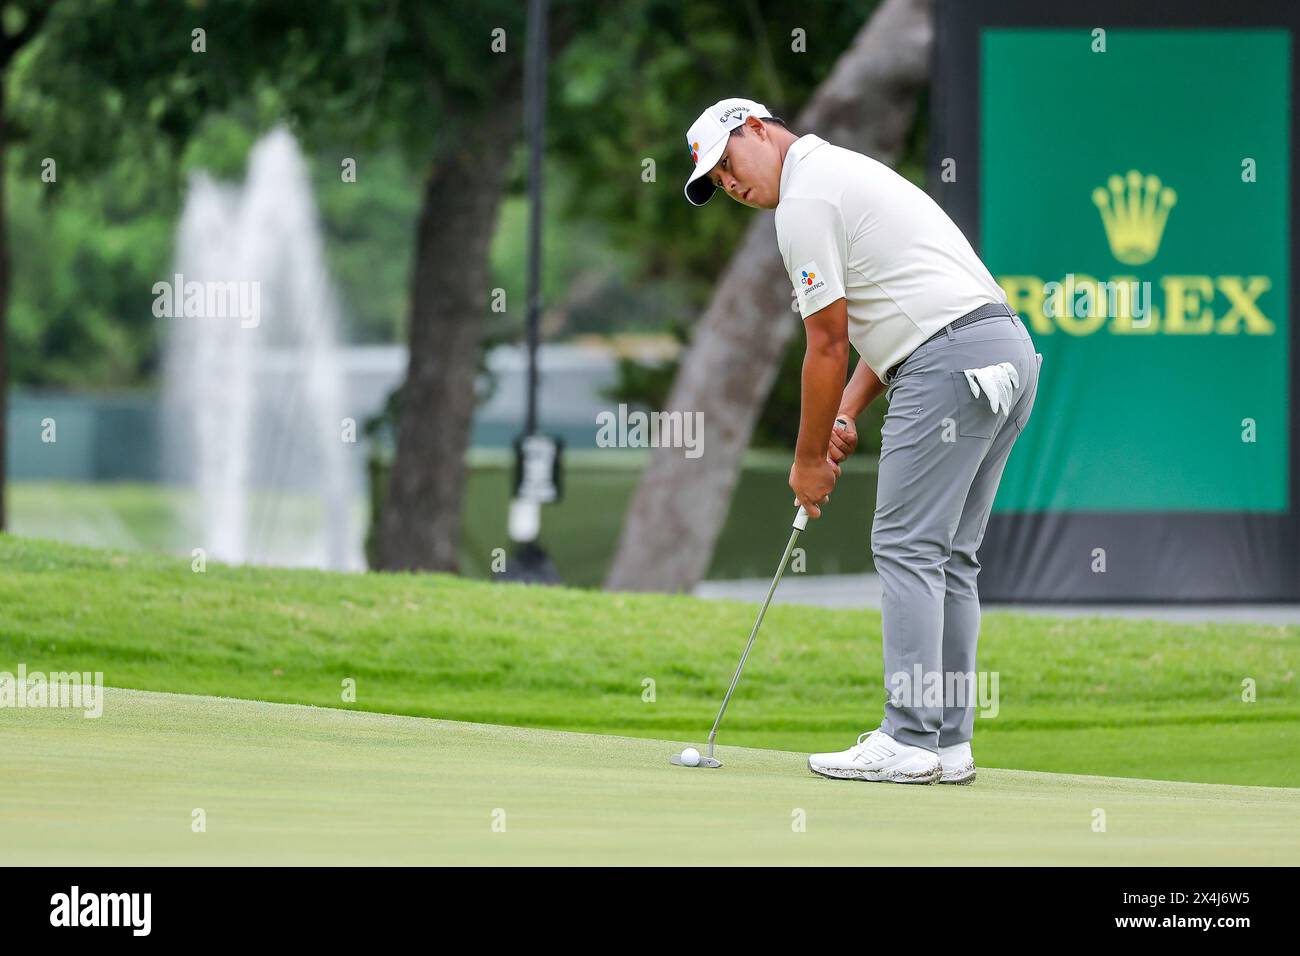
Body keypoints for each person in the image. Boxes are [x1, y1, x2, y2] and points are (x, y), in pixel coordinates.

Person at [683, 97, 1041, 784]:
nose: (730, 184)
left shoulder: (804, 202)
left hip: (950, 365)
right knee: (950, 558)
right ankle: (947, 744)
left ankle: (909, 738)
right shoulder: (845, 173)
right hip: (1007, 354)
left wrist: (808, 460)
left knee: (907, 547)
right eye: (718, 182)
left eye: (728, 163)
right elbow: (902, 314)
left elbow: (827, 343)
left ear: (757, 128)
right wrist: (847, 411)